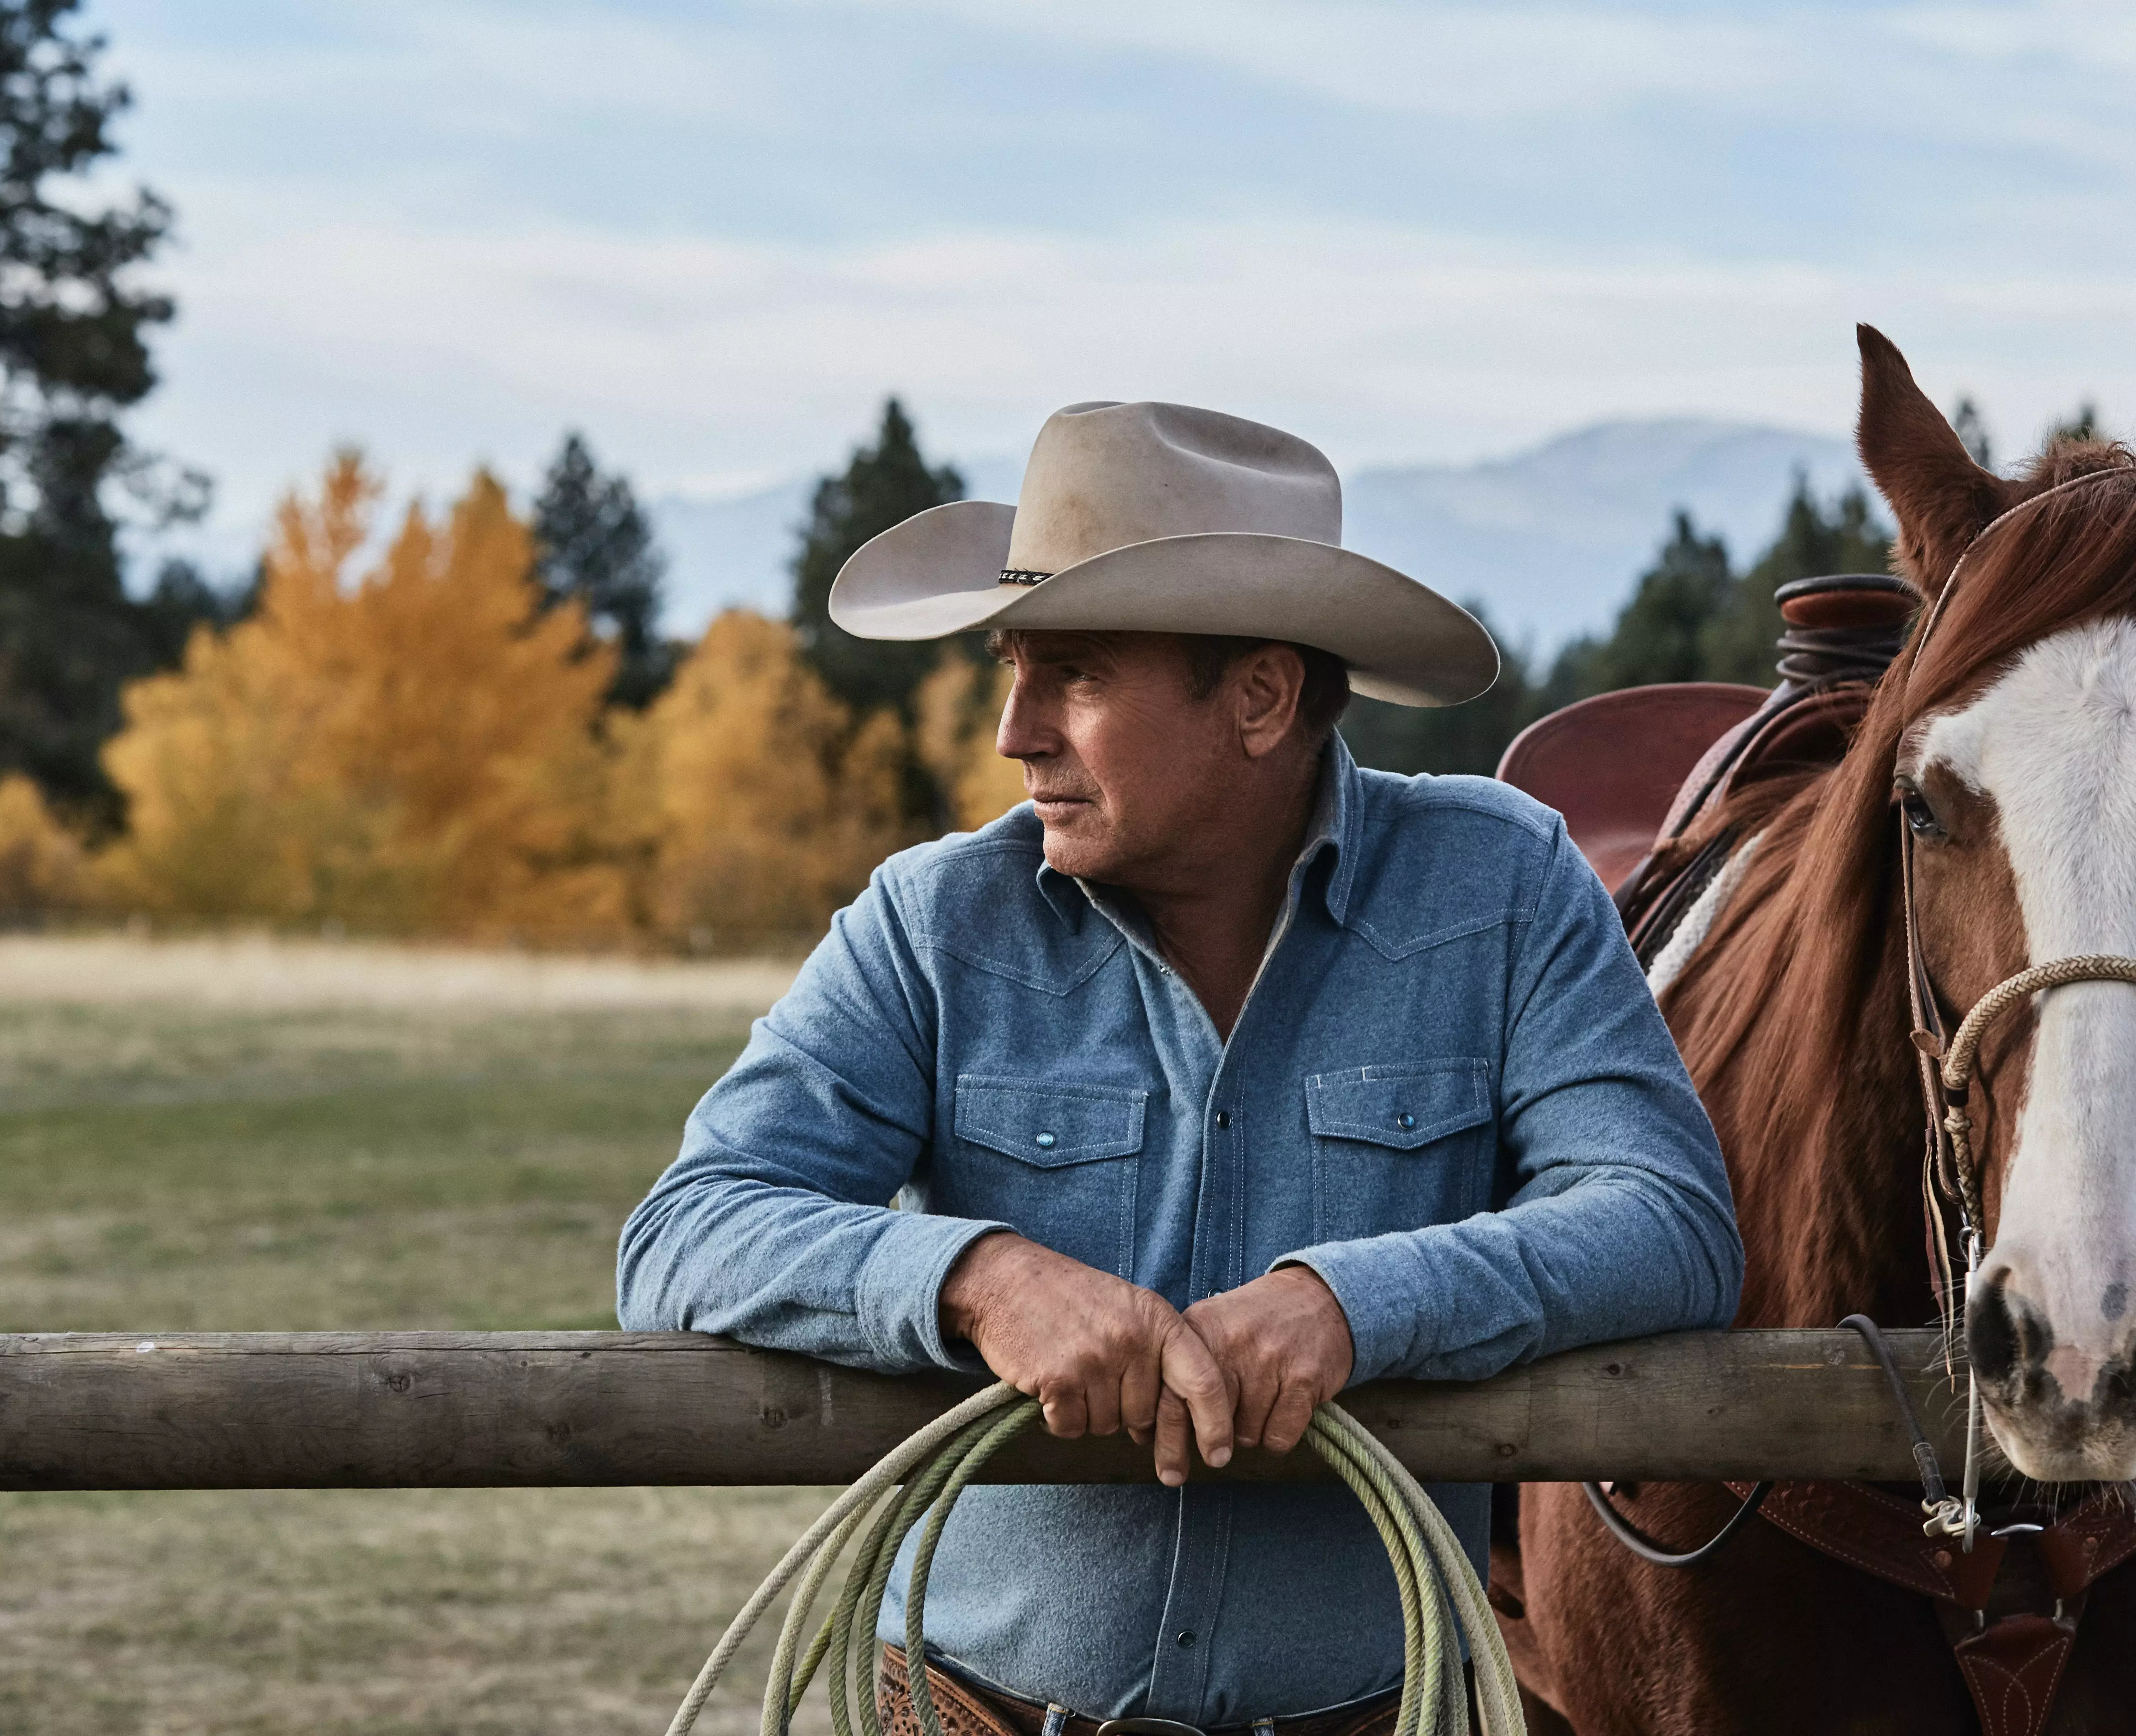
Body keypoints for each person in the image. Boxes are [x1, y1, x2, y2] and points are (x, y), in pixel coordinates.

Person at [619, 400, 1741, 1736]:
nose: (1013, 731)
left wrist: (1351, 1302)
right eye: (1010, 666)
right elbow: (686, 1231)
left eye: (1076, 676)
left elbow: (1667, 1220)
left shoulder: (1501, 888)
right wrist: (985, 1278)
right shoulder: (933, 924)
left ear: (1262, 697)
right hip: (972, 1710)